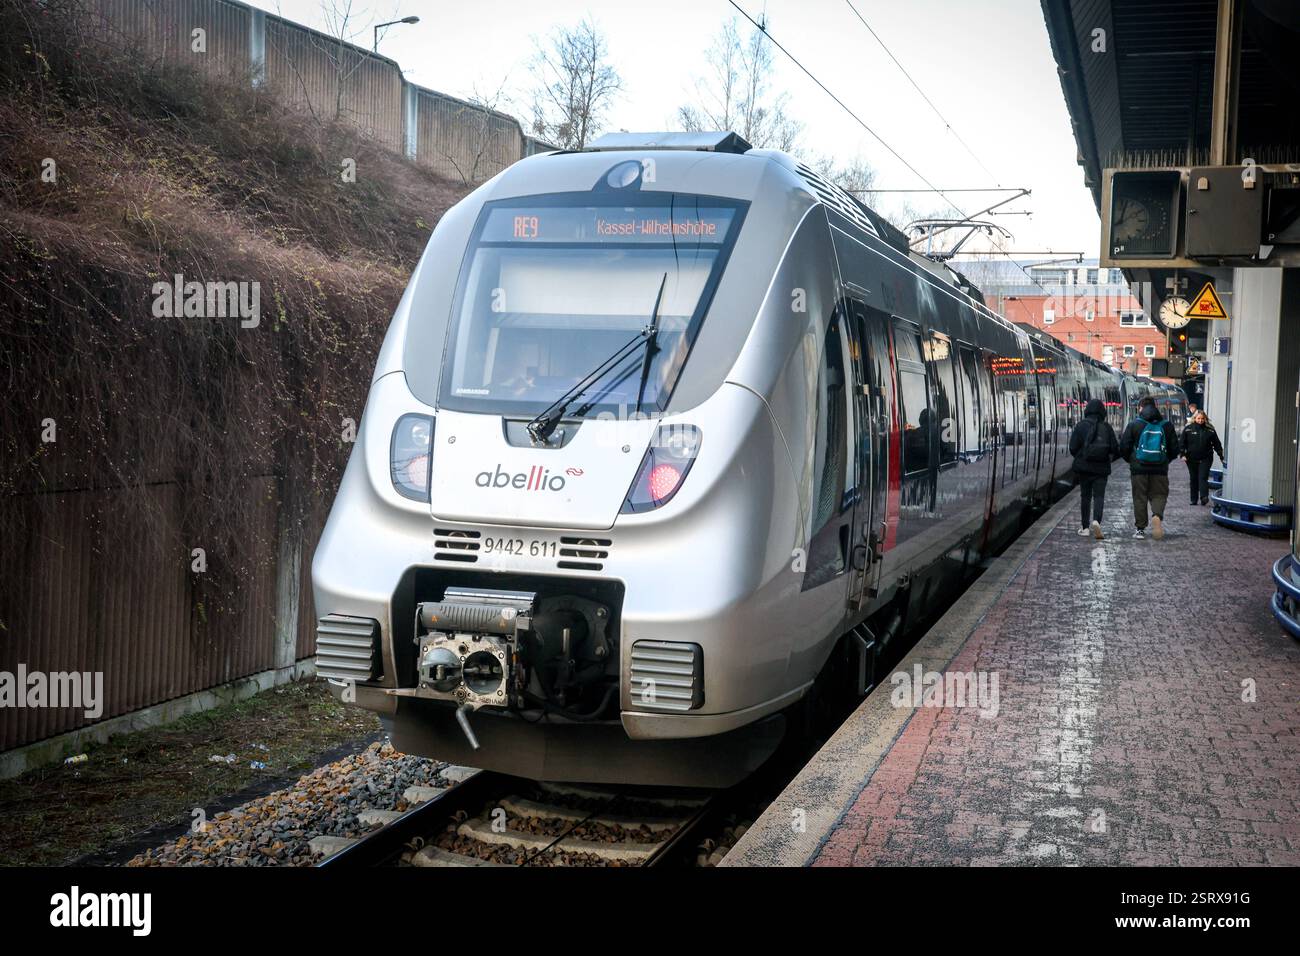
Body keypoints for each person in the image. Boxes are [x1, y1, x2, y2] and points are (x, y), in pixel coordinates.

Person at [1119, 395, 1181, 539]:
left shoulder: (1134, 424)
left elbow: (1123, 447)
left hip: (1138, 469)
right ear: (1155, 407)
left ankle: (1140, 529)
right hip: (1160, 469)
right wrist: (1165, 461)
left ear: (1140, 408)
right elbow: (1174, 449)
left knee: (1139, 497)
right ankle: (1157, 516)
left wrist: (1132, 461)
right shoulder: (1166, 425)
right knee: (1159, 495)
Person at [1068, 397, 1120, 539]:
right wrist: (1107, 457)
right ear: (1102, 411)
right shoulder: (1107, 427)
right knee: (1099, 496)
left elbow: (1072, 448)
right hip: (1101, 468)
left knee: (1085, 496)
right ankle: (1096, 520)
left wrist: (1082, 455)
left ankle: (1085, 527)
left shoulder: (1080, 426)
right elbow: (1115, 448)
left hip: (1084, 468)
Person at [1181, 410, 1225, 506]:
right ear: (1195, 419)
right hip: (1191, 458)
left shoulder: (1210, 430)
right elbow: (1182, 443)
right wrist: (1182, 454)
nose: (1200, 420)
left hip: (1206, 458)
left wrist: (1221, 456)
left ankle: (1204, 496)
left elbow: (1217, 444)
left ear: (1205, 419)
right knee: (1194, 478)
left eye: (1202, 419)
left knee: (1203, 477)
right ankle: (1194, 499)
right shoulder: (1188, 429)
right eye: (1198, 418)